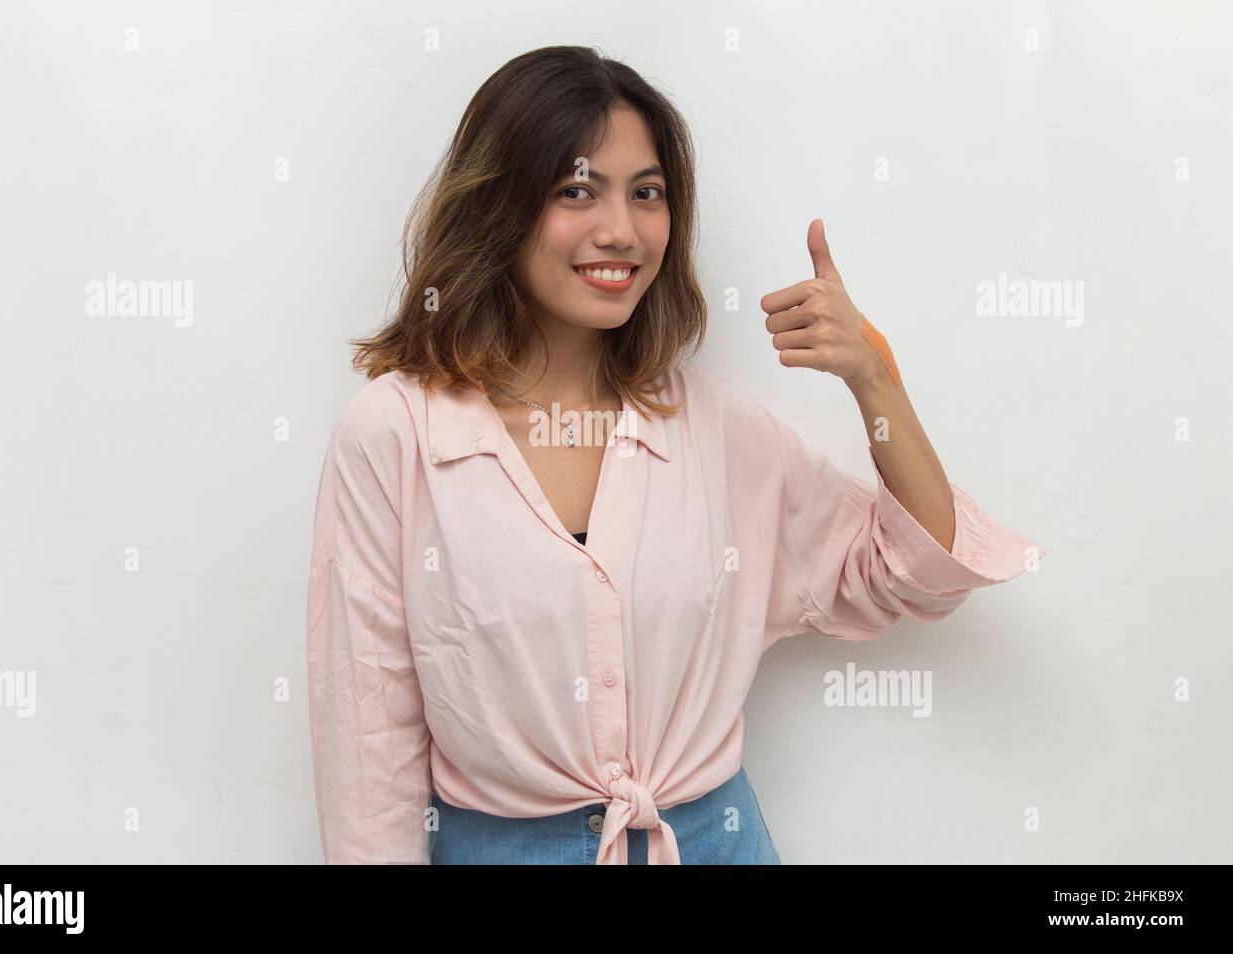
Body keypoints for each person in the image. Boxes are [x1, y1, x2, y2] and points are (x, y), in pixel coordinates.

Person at [304, 45, 1045, 865]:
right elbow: (367, 745)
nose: (620, 231)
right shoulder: (393, 435)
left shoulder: (715, 429)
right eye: (576, 190)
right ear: (500, 205)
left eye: (646, 194)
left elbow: (914, 574)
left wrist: (873, 376)